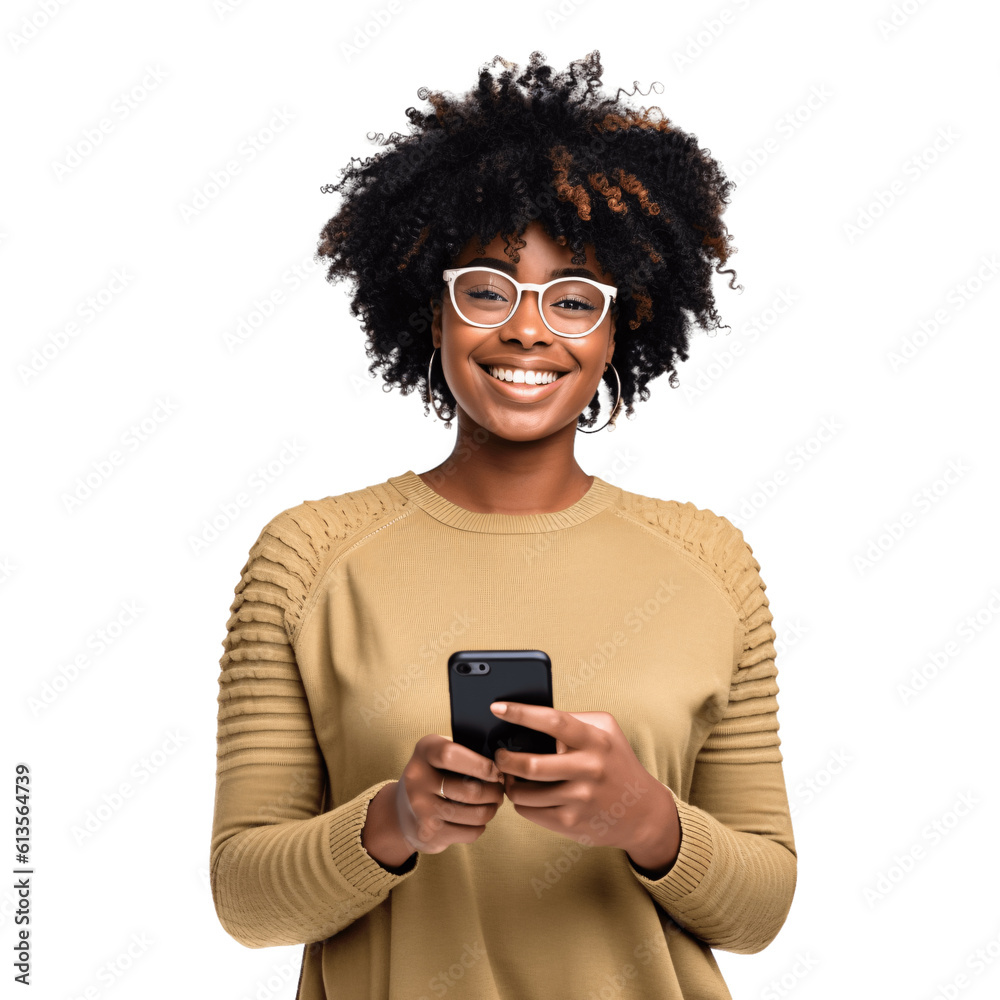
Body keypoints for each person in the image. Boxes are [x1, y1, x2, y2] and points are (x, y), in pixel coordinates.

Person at [210, 50, 797, 1000]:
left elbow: (763, 910)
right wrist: (395, 819)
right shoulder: (307, 555)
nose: (530, 330)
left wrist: (647, 818)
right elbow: (245, 900)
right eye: (488, 288)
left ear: (620, 331)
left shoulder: (709, 560)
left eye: (574, 300)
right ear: (430, 309)